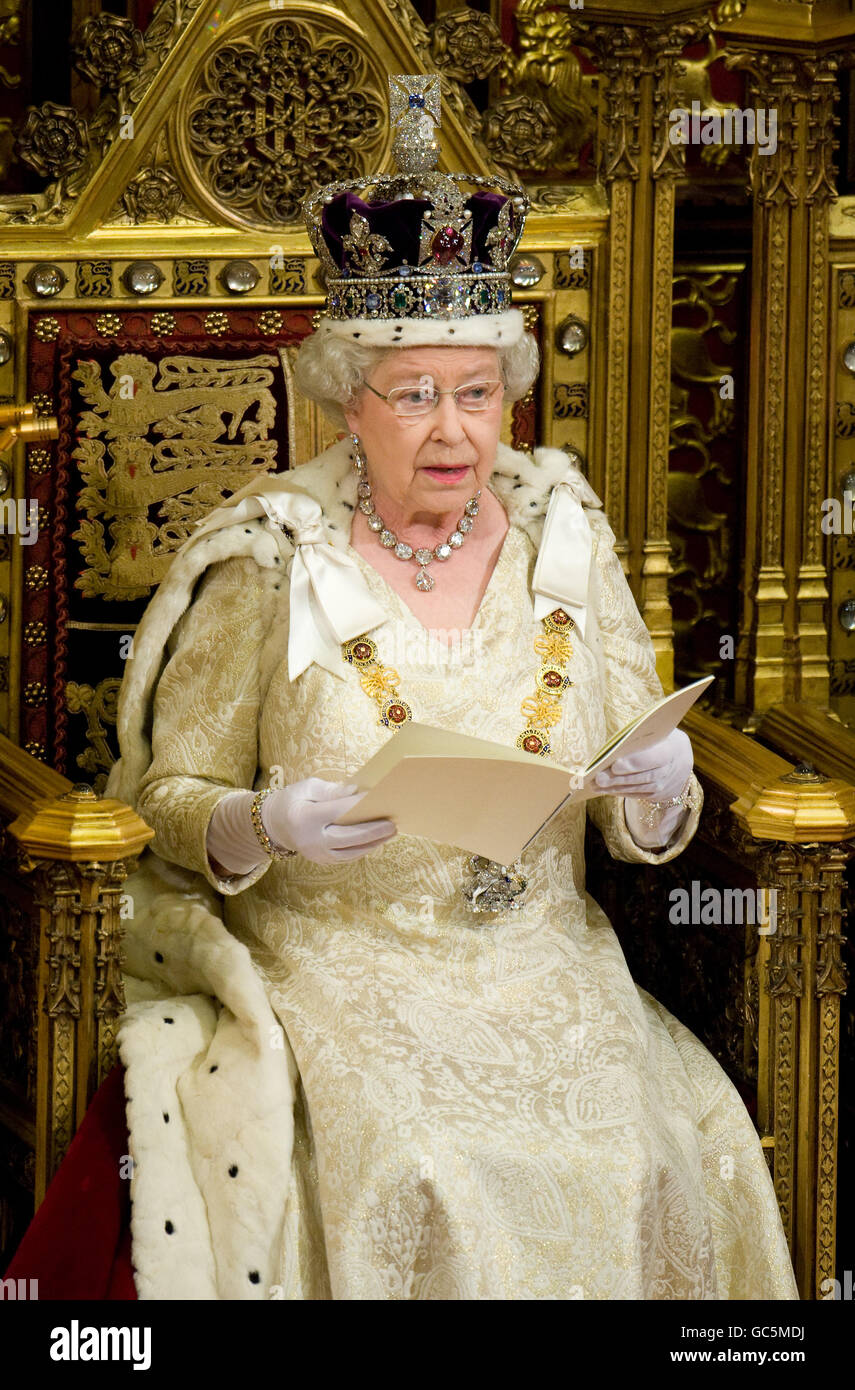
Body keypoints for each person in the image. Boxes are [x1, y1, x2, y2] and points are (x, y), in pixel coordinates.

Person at [101, 74, 798, 1300]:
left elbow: (639, 795)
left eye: (478, 394)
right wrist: (264, 822)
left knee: (641, 1149)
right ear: (342, 398)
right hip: (339, 962)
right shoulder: (269, 559)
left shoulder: (564, 539)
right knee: (416, 1162)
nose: (452, 432)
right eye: (414, 394)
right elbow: (165, 796)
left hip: (545, 961)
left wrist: (659, 787)